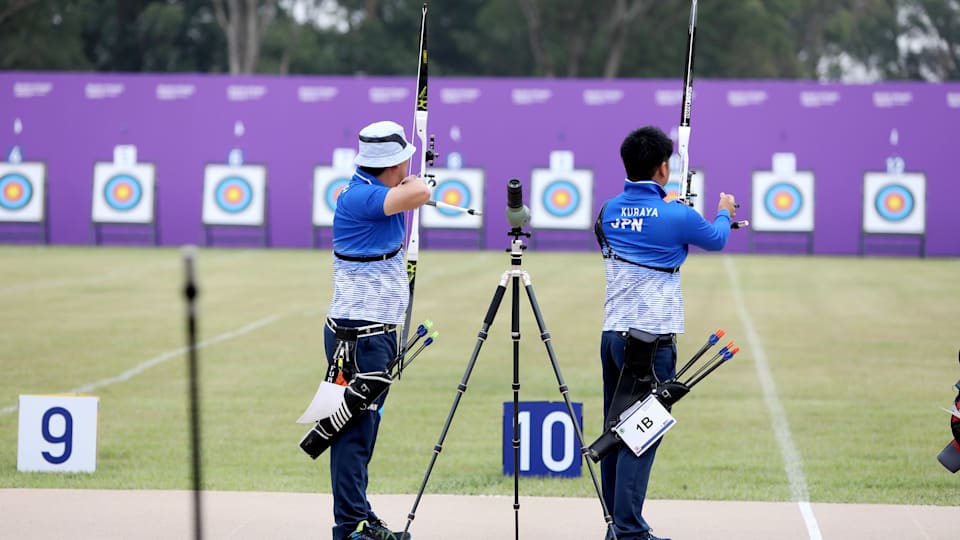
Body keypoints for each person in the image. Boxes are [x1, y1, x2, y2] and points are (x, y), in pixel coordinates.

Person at [594, 126, 737, 540]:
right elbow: (717, 238)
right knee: (641, 432)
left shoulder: (607, 210)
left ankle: (615, 527)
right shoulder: (677, 216)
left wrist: (668, 209)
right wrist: (724, 209)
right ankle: (630, 532)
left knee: (615, 430)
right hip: (650, 342)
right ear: (662, 168)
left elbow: (642, 228)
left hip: (613, 337)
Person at [323, 120, 430, 540]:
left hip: (369, 333)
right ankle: (352, 527)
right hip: (361, 336)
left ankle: (358, 517)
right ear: (393, 163)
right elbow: (420, 193)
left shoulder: (368, 192)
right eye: (405, 160)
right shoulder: (363, 197)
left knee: (361, 428)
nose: (409, 165)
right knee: (354, 431)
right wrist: (419, 180)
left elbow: (409, 193)